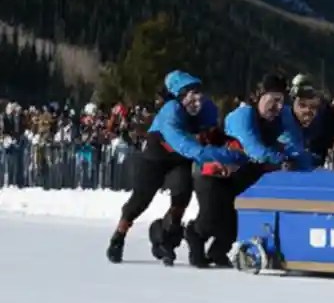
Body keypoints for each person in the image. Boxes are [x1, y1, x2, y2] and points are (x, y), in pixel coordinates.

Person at [106, 71, 245, 266]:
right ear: (180, 98)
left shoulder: (208, 109)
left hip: (179, 159)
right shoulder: (170, 112)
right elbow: (190, 148)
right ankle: (119, 236)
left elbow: (212, 136)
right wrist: (227, 155)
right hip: (156, 156)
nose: (196, 101)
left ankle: (166, 235)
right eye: (190, 96)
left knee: (182, 195)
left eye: (198, 94)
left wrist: (232, 145)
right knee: (141, 199)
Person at [186, 74, 315, 268]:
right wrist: (282, 160)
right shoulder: (242, 115)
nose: (278, 107)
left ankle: (217, 251)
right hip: (213, 171)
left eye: (282, 101)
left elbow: (291, 143)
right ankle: (194, 234)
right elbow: (254, 149)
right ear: (259, 97)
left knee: (236, 220)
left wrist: (308, 163)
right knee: (211, 217)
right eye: (274, 100)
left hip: (240, 172)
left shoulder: (280, 117)